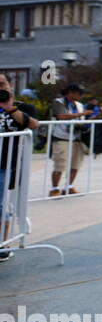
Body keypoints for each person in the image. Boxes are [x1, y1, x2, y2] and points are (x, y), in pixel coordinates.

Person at [0, 72, 40, 262]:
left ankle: (2, 243)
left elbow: (33, 125)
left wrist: (9, 108)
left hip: (6, 163)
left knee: (1, 205)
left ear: (10, 86)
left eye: (1, 83)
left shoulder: (23, 107)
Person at [49, 83, 91, 196]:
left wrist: (95, 115)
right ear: (70, 92)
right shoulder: (59, 102)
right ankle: (54, 188)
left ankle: (69, 186)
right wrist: (81, 113)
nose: (81, 96)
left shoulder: (79, 105)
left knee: (76, 164)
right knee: (60, 163)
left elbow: (81, 119)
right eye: (79, 93)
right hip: (61, 136)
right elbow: (61, 116)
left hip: (77, 138)